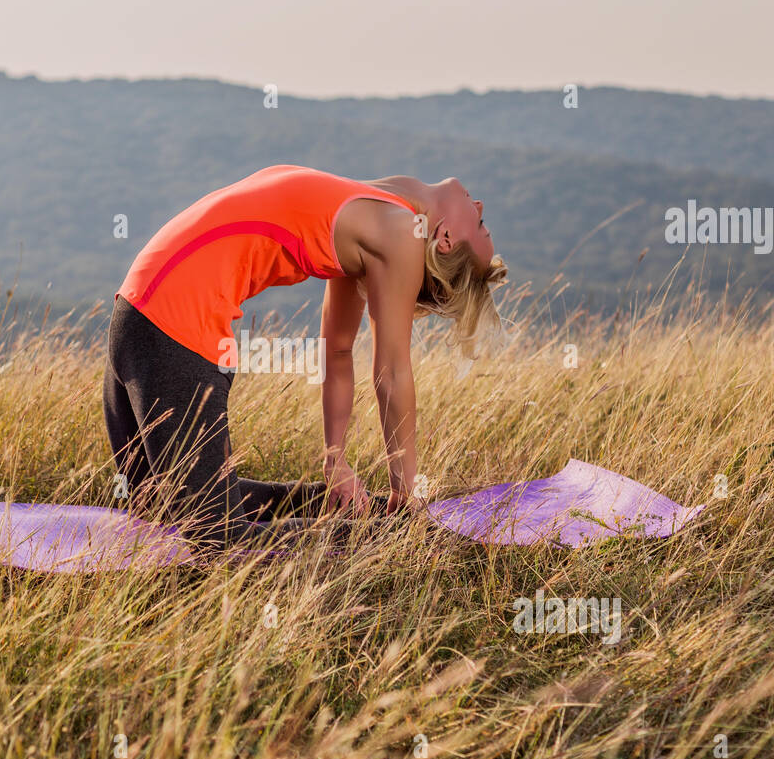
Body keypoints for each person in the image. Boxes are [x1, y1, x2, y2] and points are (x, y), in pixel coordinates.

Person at [102, 164, 507, 552]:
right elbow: (360, 360)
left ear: (447, 239)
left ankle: (376, 526)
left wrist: (392, 485)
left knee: (178, 513)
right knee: (196, 526)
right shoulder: (381, 213)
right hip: (157, 323)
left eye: (481, 225)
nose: (480, 208)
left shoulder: (392, 229)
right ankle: (374, 525)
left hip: (148, 319)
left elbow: (371, 364)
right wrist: (353, 468)